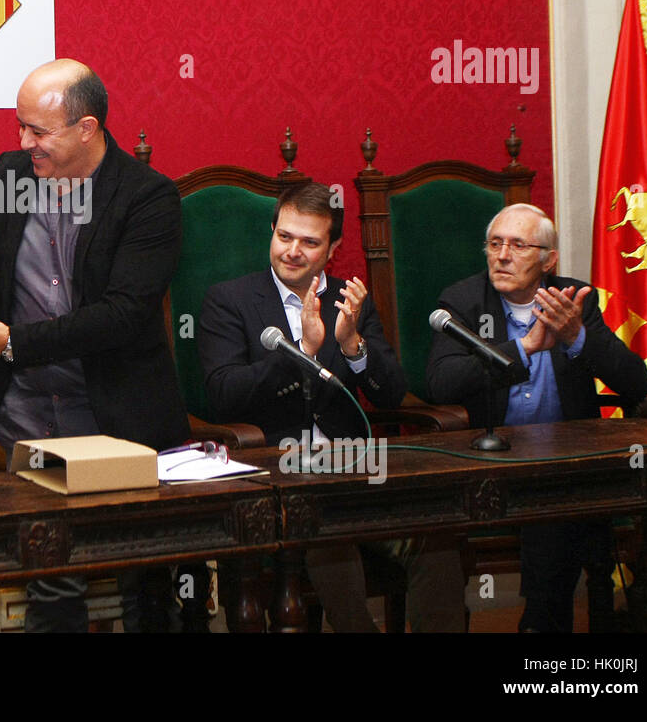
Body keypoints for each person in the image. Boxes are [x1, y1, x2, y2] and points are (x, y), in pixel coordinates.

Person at [0, 58, 198, 631]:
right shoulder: (14, 174)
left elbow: (123, 316)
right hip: (29, 424)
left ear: (87, 127)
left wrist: (12, 343)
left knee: (147, 587)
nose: (24, 142)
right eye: (20, 126)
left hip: (119, 422)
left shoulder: (148, 197)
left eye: (38, 131)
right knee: (50, 586)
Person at [198, 181, 465, 631]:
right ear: (272, 231)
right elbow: (222, 393)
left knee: (434, 539)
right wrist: (301, 350)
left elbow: (390, 394)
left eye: (309, 242)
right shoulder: (230, 300)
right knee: (324, 531)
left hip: (357, 472)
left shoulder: (349, 298)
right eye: (284, 236)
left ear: (333, 248)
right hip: (280, 474)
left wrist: (352, 343)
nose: (292, 251)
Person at [427, 202, 647, 632]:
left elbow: (636, 384)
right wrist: (524, 348)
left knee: (557, 502)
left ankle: (544, 623)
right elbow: (442, 383)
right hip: (490, 460)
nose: (502, 255)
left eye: (518, 245)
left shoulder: (575, 301)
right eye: (495, 244)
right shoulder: (464, 302)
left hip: (568, 460)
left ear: (549, 260)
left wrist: (576, 337)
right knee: (552, 509)